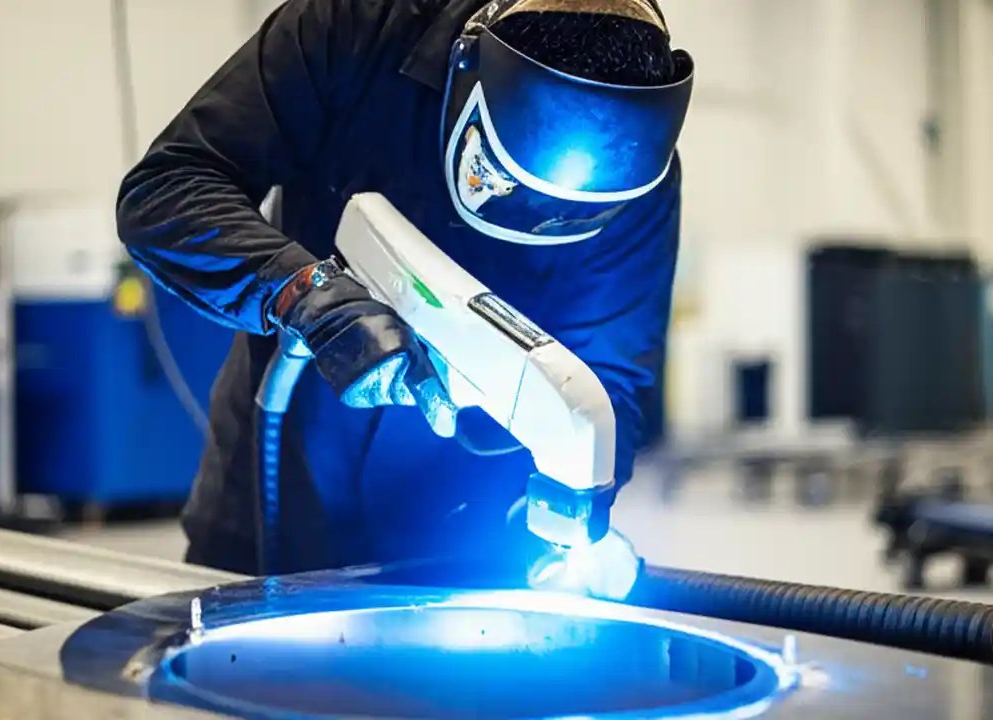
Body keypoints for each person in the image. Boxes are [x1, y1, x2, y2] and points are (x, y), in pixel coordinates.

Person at [116, 0, 694, 576]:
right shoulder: (352, 30)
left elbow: (613, 373)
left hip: (470, 534)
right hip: (279, 487)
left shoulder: (639, 164)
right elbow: (169, 190)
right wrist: (304, 294)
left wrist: (559, 513)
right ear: (467, 69)